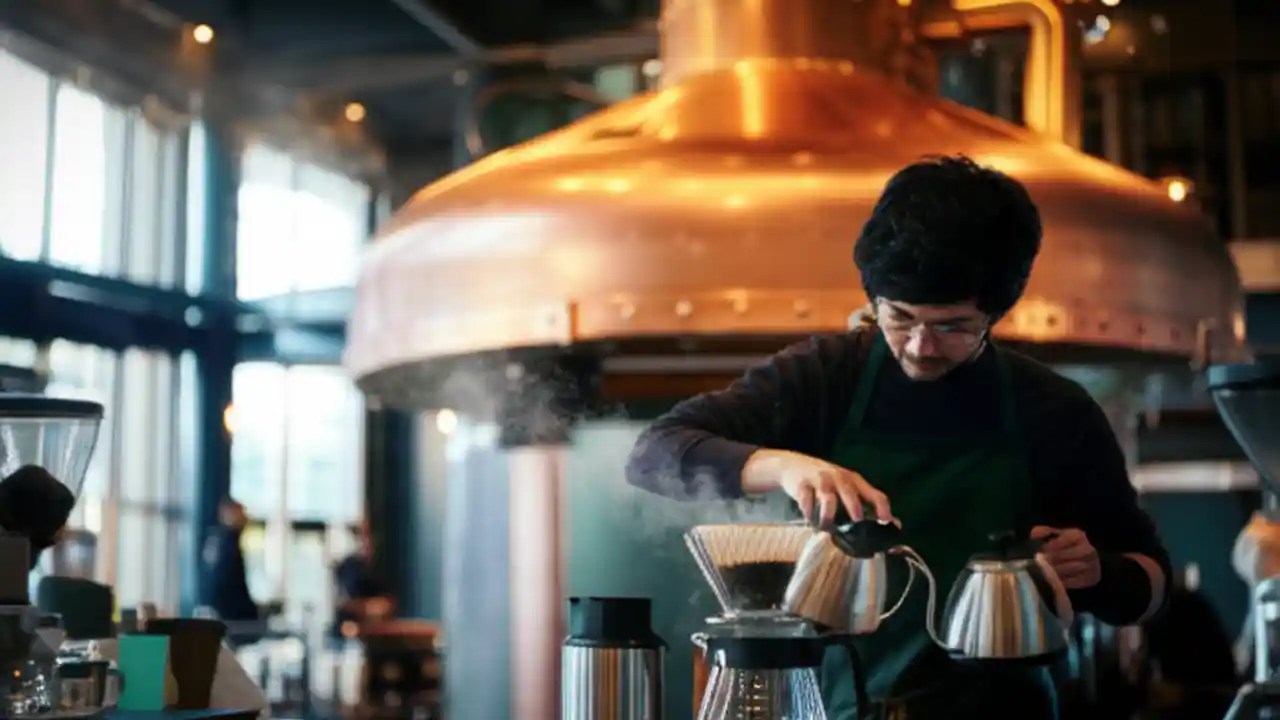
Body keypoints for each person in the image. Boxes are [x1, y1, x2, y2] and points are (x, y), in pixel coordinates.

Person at [625, 155, 1171, 719]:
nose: (919, 346)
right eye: (899, 318)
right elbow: (654, 453)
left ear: (996, 313)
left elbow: (1154, 581)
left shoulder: (1053, 410)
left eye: (952, 326)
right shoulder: (826, 376)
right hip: (837, 706)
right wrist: (785, 466)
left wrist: (1102, 571)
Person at [332, 519, 395, 639]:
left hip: (375, 635)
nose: (365, 542)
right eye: (361, 536)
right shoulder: (349, 567)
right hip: (348, 634)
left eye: (368, 537)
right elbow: (345, 603)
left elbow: (388, 605)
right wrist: (370, 607)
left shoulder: (381, 567)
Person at [202, 498, 260, 623]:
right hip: (231, 617)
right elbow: (226, 584)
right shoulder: (227, 544)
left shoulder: (217, 540)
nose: (246, 518)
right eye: (241, 513)